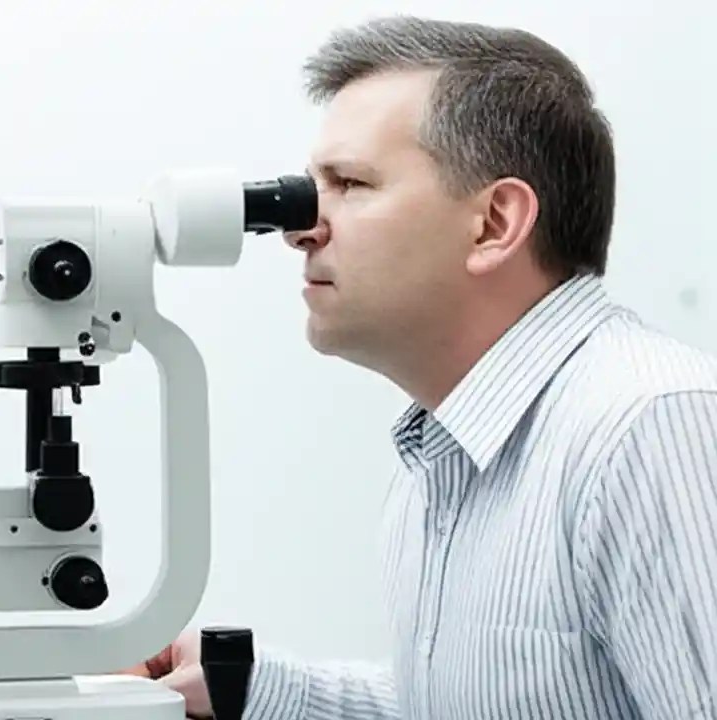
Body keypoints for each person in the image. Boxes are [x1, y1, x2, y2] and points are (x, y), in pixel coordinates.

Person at [127, 15, 717, 720]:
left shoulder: (651, 427)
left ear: (495, 223)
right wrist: (246, 689)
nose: (298, 228)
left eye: (348, 183)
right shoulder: (440, 459)